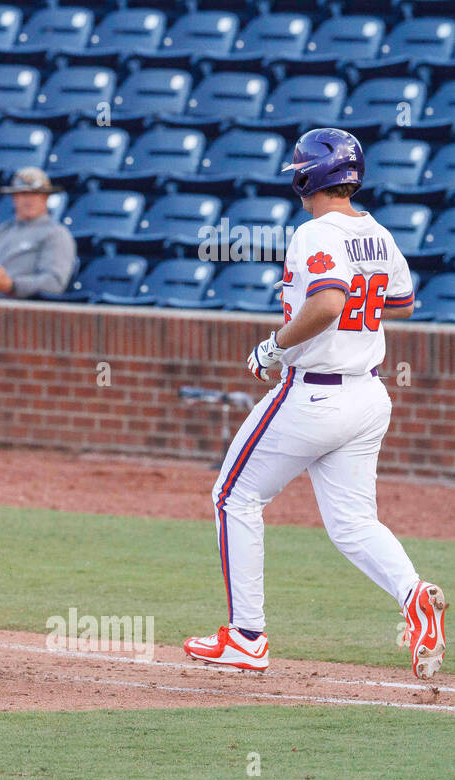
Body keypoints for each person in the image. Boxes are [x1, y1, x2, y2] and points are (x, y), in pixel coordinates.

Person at [183, 127, 444, 679]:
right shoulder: (376, 231)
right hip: (368, 394)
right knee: (352, 523)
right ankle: (414, 596)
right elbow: (402, 302)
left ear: (309, 176)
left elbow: (327, 302)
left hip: (316, 393)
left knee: (233, 495)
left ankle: (246, 637)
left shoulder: (313, 232)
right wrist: (352, 313)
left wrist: (275, 346)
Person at [0, 167, 76, 299]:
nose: (29, 199)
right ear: (14, 198)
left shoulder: (56, 234)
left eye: (35, 194)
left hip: (25, 312)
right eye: (23, 194)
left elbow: (54, 283)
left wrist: (11, 285)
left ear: (45, 198)